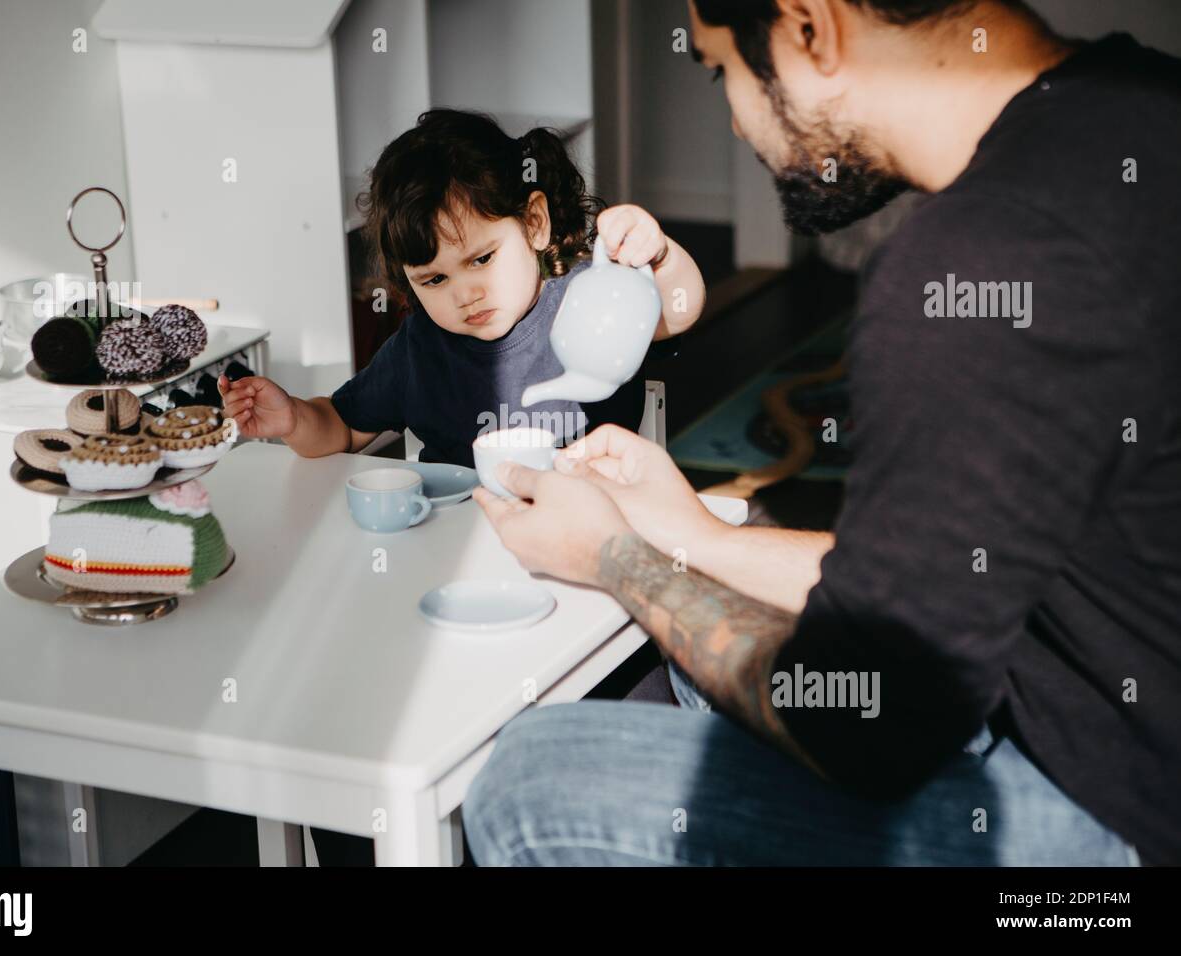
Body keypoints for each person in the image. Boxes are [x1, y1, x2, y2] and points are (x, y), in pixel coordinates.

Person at [464, 0, 1181, 865]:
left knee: (532, 779)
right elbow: (946, 576)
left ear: (810, 28)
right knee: (701, 662)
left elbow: (861, 726)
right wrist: (693, 534)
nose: (732, 116)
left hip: (1122, 836)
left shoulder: (977, 271)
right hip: (1106, 698)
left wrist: (618, 560)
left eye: (724, 69)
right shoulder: (1139, 101)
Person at [219, 109, 705, 467]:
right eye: (434, 279)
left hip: (590, 545)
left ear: (534, 223)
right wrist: (293, 419)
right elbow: (342, 428)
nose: (464, 293)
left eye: (482, 259)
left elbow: (678, 312)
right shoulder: (419, 351)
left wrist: (657, 255)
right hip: (457, 556)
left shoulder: (585, 303)